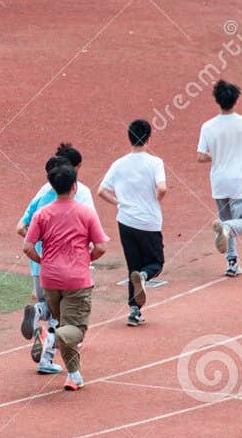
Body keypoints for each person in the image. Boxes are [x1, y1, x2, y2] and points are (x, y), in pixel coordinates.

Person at [23, 162, 108, 392]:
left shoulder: (42, 214)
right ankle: (48, 335)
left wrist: (43, 262)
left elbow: (28, 246)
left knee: (64, 323)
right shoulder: (85, 212)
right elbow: (101, 246)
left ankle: (74, 375)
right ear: (74, 186)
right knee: (76, 329)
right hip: (76, 279)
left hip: (49, 278)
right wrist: (86, 259)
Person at [16, 143, 95, 374]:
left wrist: (40, 253)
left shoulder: (41, 194)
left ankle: (38, 314)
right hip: (69, 266)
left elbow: (21, 227)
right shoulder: (80, 192)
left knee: (51, 308)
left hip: (39, 264)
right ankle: (48, 352)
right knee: (62, 316)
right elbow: (92, 232)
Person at [98, 120, 167, 326]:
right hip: (149, 221)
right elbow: (162, 188)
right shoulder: (155, 163)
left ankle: (134, 310)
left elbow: (102, 191)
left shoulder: (119, 164)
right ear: (148, 137)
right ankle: (145, 277)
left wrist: (119, 203)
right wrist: (155, 199)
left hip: (125, 221)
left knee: (133, 266)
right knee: (156, 262)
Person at [196, 80, 242, 278]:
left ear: (217, 100)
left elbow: (201, 156)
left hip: (218, 180)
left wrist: (217, 156)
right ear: (236, 99)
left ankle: (232, 263)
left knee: (227, 223)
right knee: (240, 223)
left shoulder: (208, 126)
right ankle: (225, 230)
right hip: (239, 180)